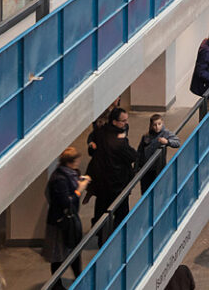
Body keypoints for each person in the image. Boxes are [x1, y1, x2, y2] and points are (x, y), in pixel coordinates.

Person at [87, 106, 136, 234]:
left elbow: (92, 149)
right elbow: (132, 156)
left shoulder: (100, 133)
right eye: (123, 121)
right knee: (121, 212)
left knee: (101, 211)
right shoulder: (119, 142)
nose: (126, 123)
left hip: (102, 182)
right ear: (114, 122)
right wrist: (124, 140)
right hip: (117, 183)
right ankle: (117, 235)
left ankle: (99, 233)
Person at [43, 147, 88, 287]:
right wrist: (79, 190)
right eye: (77, 160)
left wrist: (80, 181)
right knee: (59, 255)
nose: (79, 163)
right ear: (70, 162)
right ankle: (57, 284)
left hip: (69, 219)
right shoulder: (59, 179)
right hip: (61, 222)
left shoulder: (69, 173)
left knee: (73, 251)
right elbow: (66, 201)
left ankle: (79, 277)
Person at [135, 113, 181, 196]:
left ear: (162, 123)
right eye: (154, 125)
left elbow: (177, 142)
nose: (157, 127)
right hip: (146, 169)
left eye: (159, 124)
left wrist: (167, 142)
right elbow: (139, 152)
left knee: (158, 191)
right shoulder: (146, 136)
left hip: (158, 169)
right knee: (145, 192)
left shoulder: (166, 133)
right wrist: (136, 168)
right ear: (151, 125)